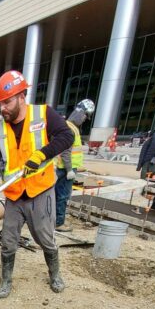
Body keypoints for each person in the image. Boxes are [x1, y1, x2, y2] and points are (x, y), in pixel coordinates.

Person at [0, 70, 74, 299]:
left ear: (22, 96)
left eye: (7, 102)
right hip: (14, 196)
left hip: (40, 191)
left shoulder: (43, 115)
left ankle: (55, 274)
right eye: (0, 103)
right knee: (8, 241)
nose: (3, 108)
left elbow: (66, 137)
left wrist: (41, 155)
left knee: (44, 238)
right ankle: (6, 280)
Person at [54, 99, 95, 230]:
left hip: (60, 167)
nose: (85, 120)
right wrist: (70, 169)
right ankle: (59, 223)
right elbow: (66, 152)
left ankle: (52, 220)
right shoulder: (71, 129)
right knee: (63, 196)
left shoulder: (66, 126)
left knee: (55, 195)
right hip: (65, 170)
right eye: (85, 117)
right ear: (82, 114)